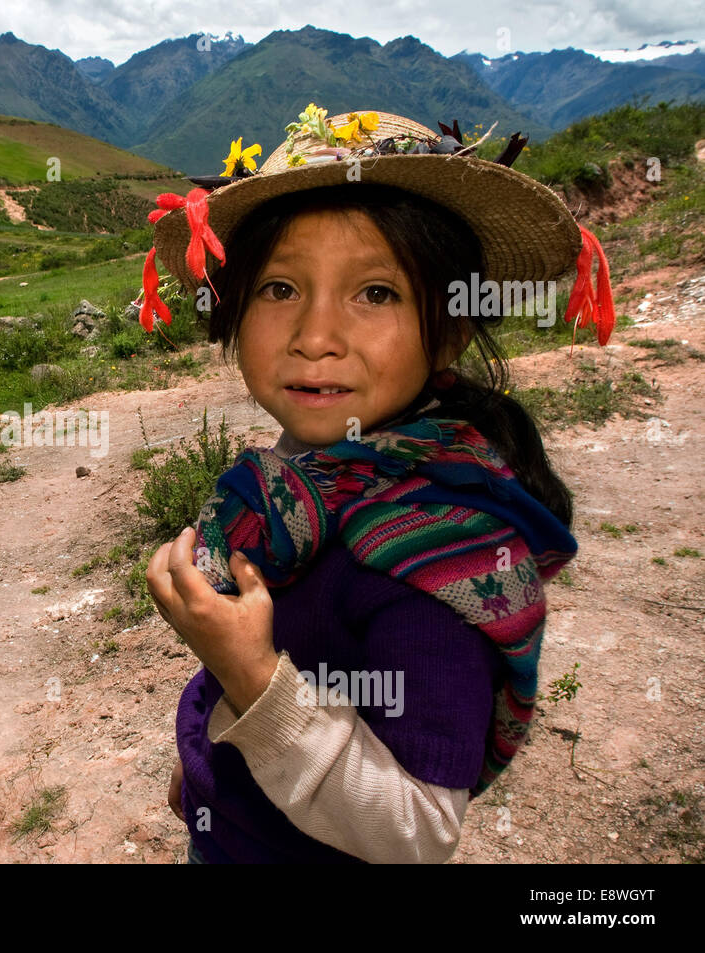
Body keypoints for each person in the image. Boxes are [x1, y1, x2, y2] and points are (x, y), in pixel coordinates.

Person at [138, 105, 616, 863]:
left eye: (377, 293)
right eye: (279, 288)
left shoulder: (427, 563)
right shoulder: (303, 485)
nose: (316, 336)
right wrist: (199, 773)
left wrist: (255, 682)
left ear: (451, 327)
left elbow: (421, 829)